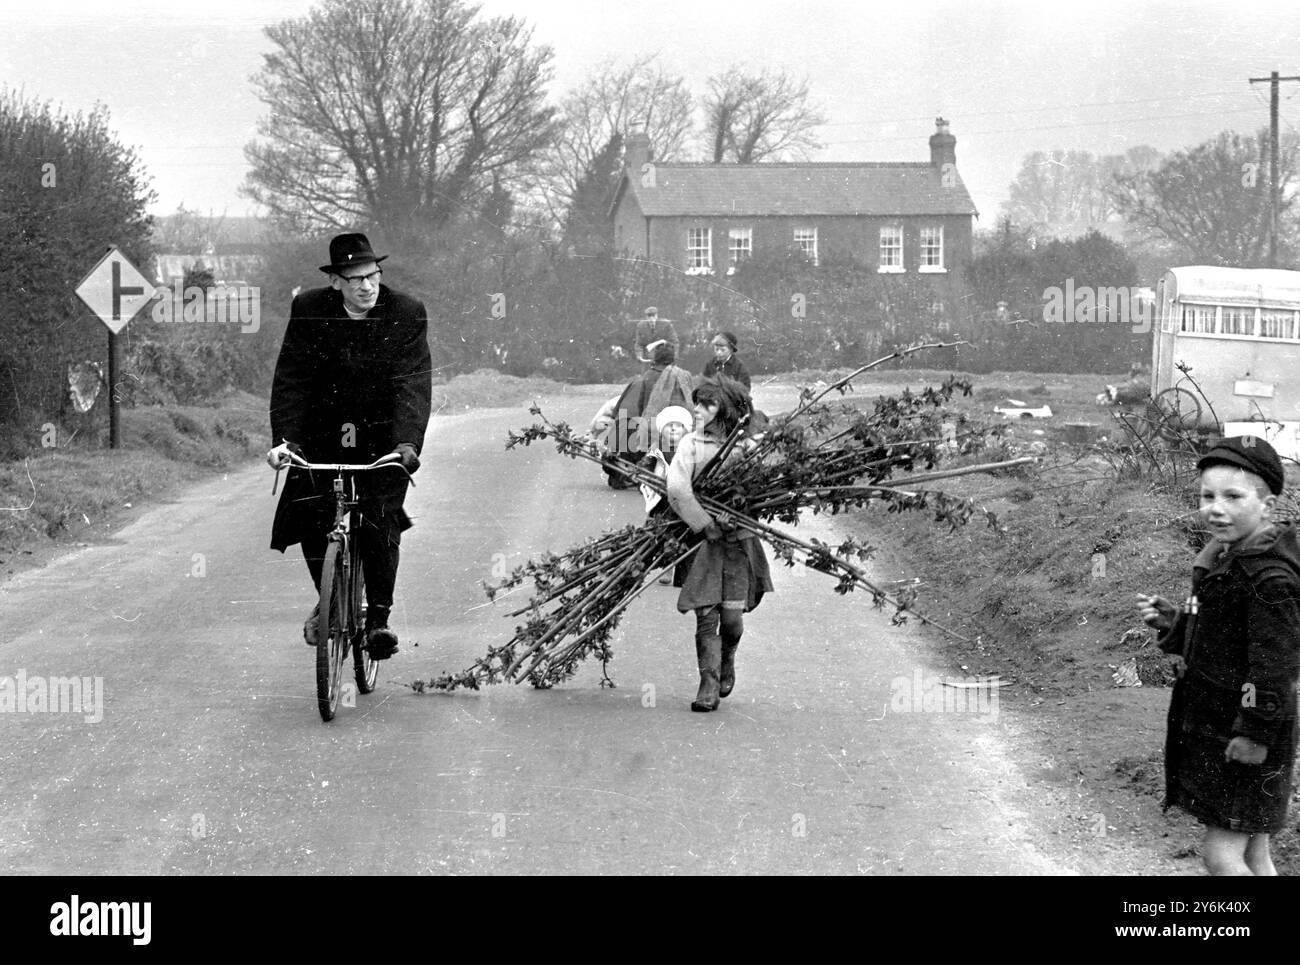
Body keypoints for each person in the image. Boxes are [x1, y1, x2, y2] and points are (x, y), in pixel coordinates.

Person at [1136, 436, 1300, 875]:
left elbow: (1274, 665)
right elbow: (1222, 636)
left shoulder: (1268, 578)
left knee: (1221, 856)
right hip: (1230, 728)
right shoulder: (1230, 560)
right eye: (1207, 496)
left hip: (1246, 736)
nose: (1216, 508)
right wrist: (1174, 624)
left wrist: (1255, 734)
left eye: (1233, 496)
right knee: (1252, 853)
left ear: (1267, 505)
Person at [266, 233, 432, 660]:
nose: (366, 286)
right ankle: (330, 595)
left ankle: (378, 620)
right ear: (336, 281)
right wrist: (285, 442)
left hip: (383, 440)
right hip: (322, 436)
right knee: (306, 508)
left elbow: (412, 385)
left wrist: (407, 443)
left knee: (380, 517)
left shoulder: (405, 313)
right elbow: (292, 380)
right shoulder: (309, 310)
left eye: (372, 275)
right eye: (355, 278)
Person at [666, 376, 773, 712]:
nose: (697, 410)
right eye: (697, 403)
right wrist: (705, 524)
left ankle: (727, 657)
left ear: (726, 409)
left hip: (738, 543)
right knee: (706, 616)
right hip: (704, 545)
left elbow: (763, 492)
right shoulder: (690, 445)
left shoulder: (747, 449)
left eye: (707, 404)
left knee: (731, 619)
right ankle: (707, 684)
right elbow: (678, 490)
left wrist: (739, 516)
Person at [602, 341, 694, 489]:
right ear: (673, 360)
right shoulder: (683, 376)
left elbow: (641, 405)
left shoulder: (647, 376)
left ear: (654, 360)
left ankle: (628, 473)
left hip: (643, 427)